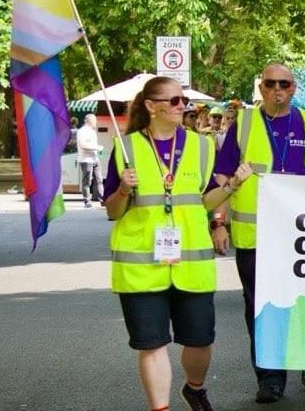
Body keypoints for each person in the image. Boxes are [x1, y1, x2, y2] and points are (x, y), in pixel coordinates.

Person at [103, 76, 253, 411]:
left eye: (182, 99)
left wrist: (233, 186)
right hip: (141, 266)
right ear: (150, 107)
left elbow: (204, 201)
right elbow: (113, 212)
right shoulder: (126, 148)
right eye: (172, 101)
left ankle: (195, 388)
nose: (181, 105)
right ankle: (160, 408)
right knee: (152, 345)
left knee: (200, 341)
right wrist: (124, 190)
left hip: (192, 265)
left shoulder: (201, 146)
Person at [211, 63, 305, 404]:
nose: (277, 89)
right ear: (261, 88)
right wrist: (218, 222)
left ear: (294, 88)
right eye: (270, 83)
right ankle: (270, 376)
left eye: (284, 83)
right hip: (257, 236)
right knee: (260, 307)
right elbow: (222, 179)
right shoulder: (245, 124)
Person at [76, 113, 104, 208]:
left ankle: (102, 199)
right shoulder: (82, 131)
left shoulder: (92, 131)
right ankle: (87, 200)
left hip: (95, 158)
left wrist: (98, 148)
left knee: (99, 180)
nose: (96, 122)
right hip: (86, 159)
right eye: (94, 120)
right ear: (88, 121)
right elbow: (83, 145)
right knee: (87, 181)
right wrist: (97, 147)